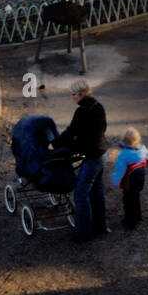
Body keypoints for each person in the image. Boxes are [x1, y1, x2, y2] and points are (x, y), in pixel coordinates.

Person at [51, 78, 109, 242]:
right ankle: (100, 225)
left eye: (74, 94)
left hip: (93, 156)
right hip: (102, 151)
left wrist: (54, 144)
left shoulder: (82, 111)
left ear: (82, 94)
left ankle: (84, 233)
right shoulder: (98, 106)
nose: (72, 97)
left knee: (80, 193)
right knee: (96, 190)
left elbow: (71, 132)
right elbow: (102, 128)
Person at [111, 127, 148, 229]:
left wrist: (115, 181)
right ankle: (138, 216)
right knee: (136, 197)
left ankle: (130, 221)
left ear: (124, 141)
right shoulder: (142, 149)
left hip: (129, 182)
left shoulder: (124, 154)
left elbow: (119, 170)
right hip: (140, 179)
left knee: (128, 201)